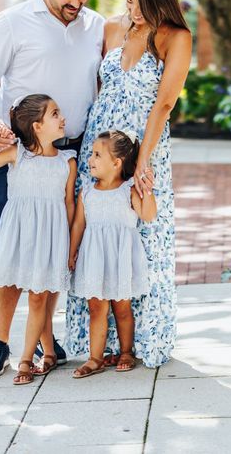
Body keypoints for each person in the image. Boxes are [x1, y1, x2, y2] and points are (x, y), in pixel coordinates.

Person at [0, 0, 105, 378]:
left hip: (77, 156)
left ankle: (45, 337)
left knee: (54, 248)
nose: (75, 3)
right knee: (13, 248)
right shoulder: (12, 22)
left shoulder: (95, 25)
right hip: (21, 156)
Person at [65, 0, 191, 368]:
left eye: (139, 5)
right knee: (97, 235)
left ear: (158, 2)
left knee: (145, 240)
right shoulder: (112, 30)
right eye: (128, 2)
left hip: (145, 150)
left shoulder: (176, 37)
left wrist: (142, 162)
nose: (131, 12)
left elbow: (164, 103)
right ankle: (97, 343)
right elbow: (98, 89)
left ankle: (141, 341)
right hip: (100, 150)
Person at [0, 94, 77, 385]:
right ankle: (19, 350)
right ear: (37, 126)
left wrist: (69, 242)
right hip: (20, 233)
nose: (62, 117)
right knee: (16, 285)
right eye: (55, 114)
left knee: (39, 296)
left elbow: (69, 204)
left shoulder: (67, 162)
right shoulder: (18, 154)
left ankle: (28, 360)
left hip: (51, 235)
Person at [68, 129, 156, 378]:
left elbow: (148, 216)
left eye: (97, 155)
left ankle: (126, 351)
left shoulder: (128, 190)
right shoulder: (88, 191)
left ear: (116, 163)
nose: (90, 159)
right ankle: (95, 358)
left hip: (120, 258)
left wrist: (147, 190)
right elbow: (78, 225)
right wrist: (72, 252)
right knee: (96, 308)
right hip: (94, 258)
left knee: (122, 307)